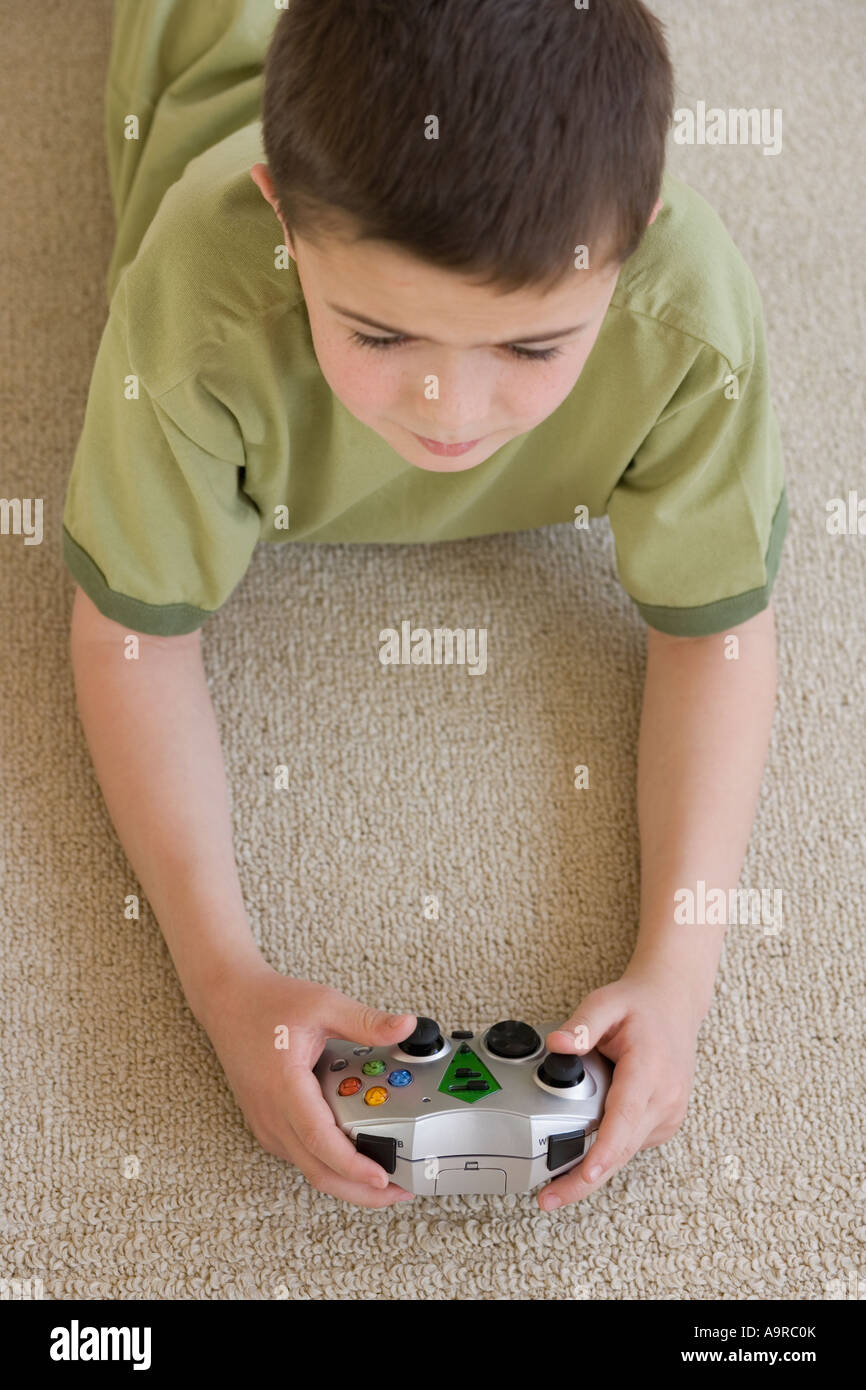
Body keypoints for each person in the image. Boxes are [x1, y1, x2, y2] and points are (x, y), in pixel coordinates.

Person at [64, 0, 788, 1212]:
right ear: (282, 220)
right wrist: (219, 976)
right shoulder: (195, 305)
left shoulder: (688, 314)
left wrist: (679, 973)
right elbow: (129, 638)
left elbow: (716, 634)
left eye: (533, 348)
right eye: (381, 331)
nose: (449, 409)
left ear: (634, 245)